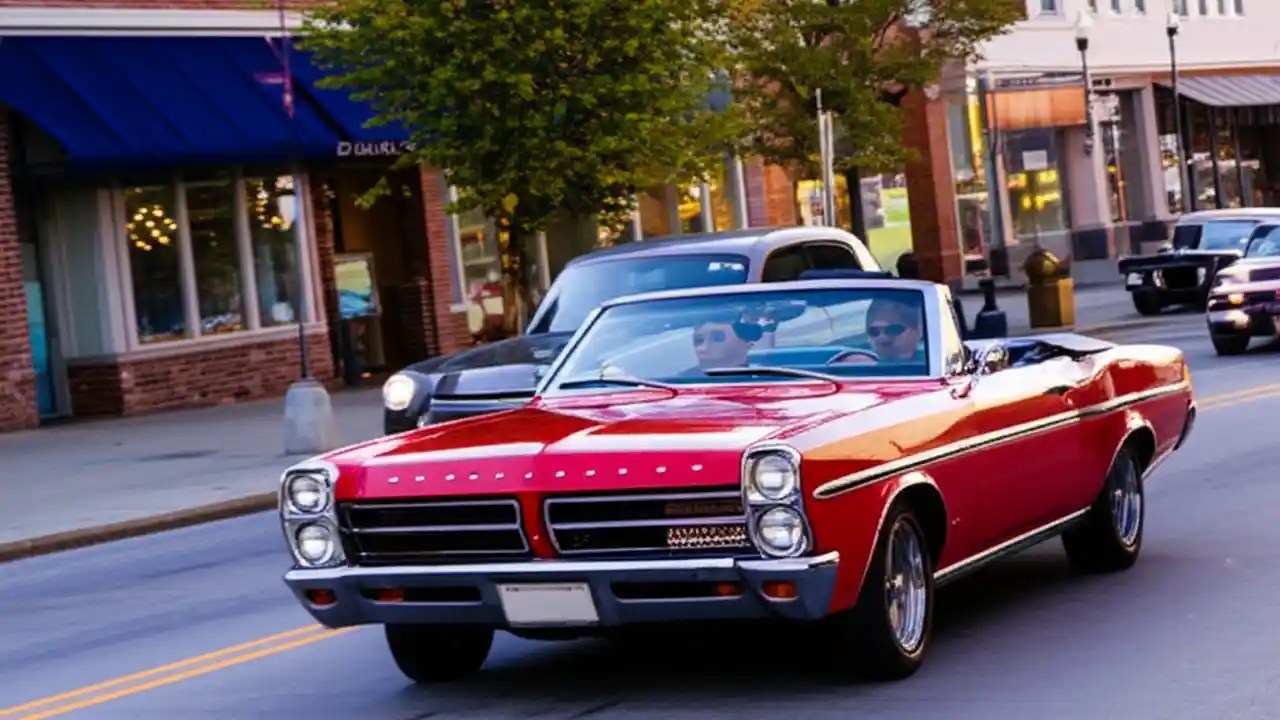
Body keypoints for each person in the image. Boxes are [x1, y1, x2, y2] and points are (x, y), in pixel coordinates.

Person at [865, 297, 923, 361]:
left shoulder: (931, 360)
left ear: (918, 331)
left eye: (892, 330)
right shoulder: (860, 364)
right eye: (874, 332)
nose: (882, 336)